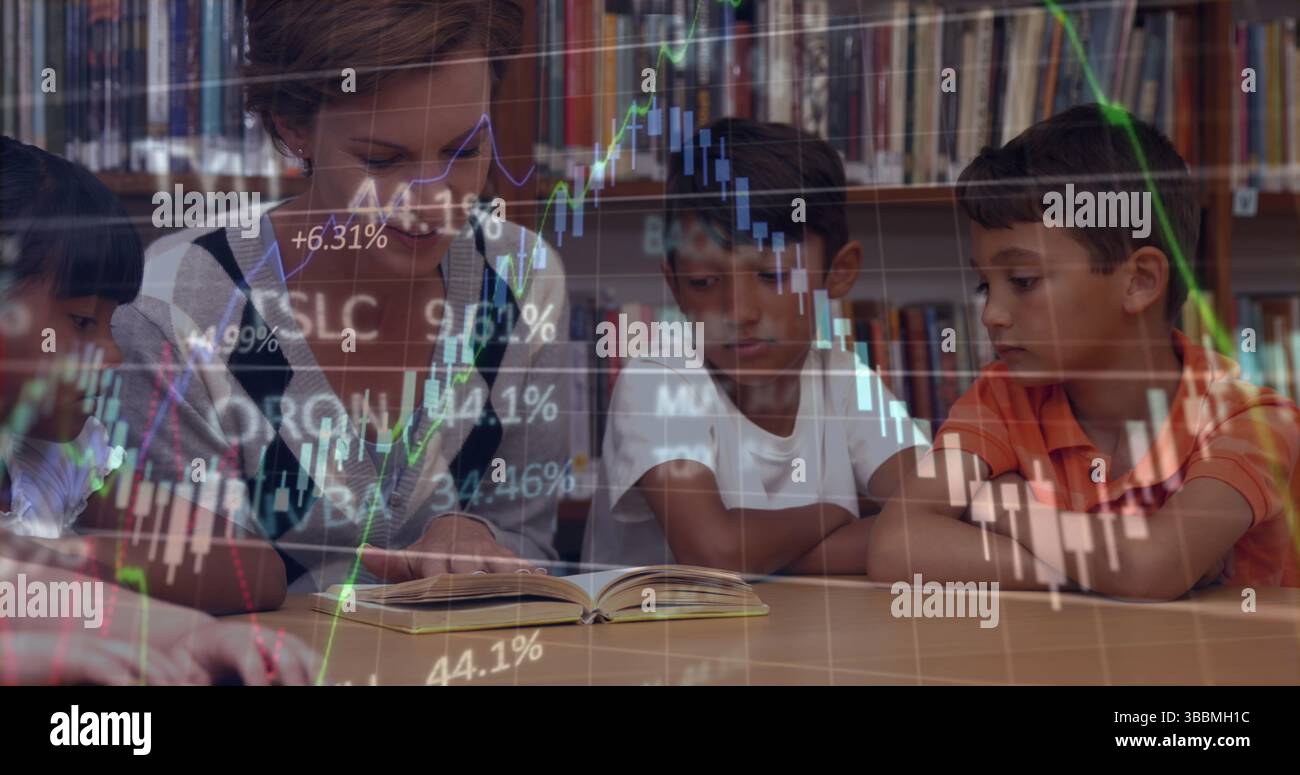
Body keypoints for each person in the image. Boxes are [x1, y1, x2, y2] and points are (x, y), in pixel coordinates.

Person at [112, 0, 571, 590]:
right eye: (382, 161)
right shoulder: (176, 305)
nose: (432, 203)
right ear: (291, 126)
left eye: (464, 152)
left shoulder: (523, 279)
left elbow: (533, 545)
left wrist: (484, 541)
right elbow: (177, 591)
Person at [868, 104, 1300, 599]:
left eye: (1023, 281)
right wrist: (1086, 565)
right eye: (985, 285)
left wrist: (1008, 509)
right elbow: (895, 545)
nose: (991, 315)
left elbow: (1150, 568)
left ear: (1139, 282)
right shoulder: (1003, 399)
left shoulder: (1251, 422)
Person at [0, 136, 317, 684]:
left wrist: (86, 560)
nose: (113, 353)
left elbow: (254, 570)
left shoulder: (59, 459)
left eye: (110, 323)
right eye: (81, 322)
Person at [583, 118, 929, 574]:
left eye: (773, 276)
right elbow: (715, 552)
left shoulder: (844, 381)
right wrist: (836, 516)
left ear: (839, 271)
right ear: (675, 285)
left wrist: (783, 556)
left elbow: (935, 512)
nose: (738, 312)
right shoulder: (657, 383)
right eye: (704, 281)